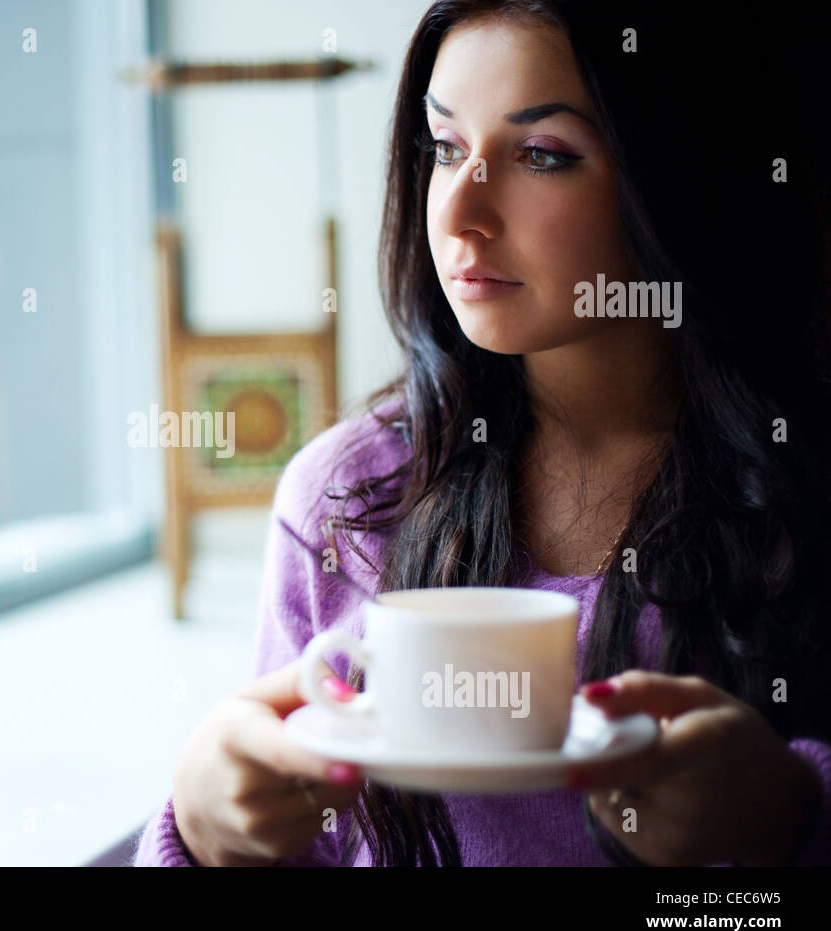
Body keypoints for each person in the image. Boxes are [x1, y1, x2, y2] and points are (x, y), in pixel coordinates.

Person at [134, 0, 831, 866]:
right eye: (446, 147)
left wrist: (796, 813)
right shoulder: (348, 503)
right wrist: (203, 835)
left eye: (543, 155)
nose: (461, 213)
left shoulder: (805, 490)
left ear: (680, 175)